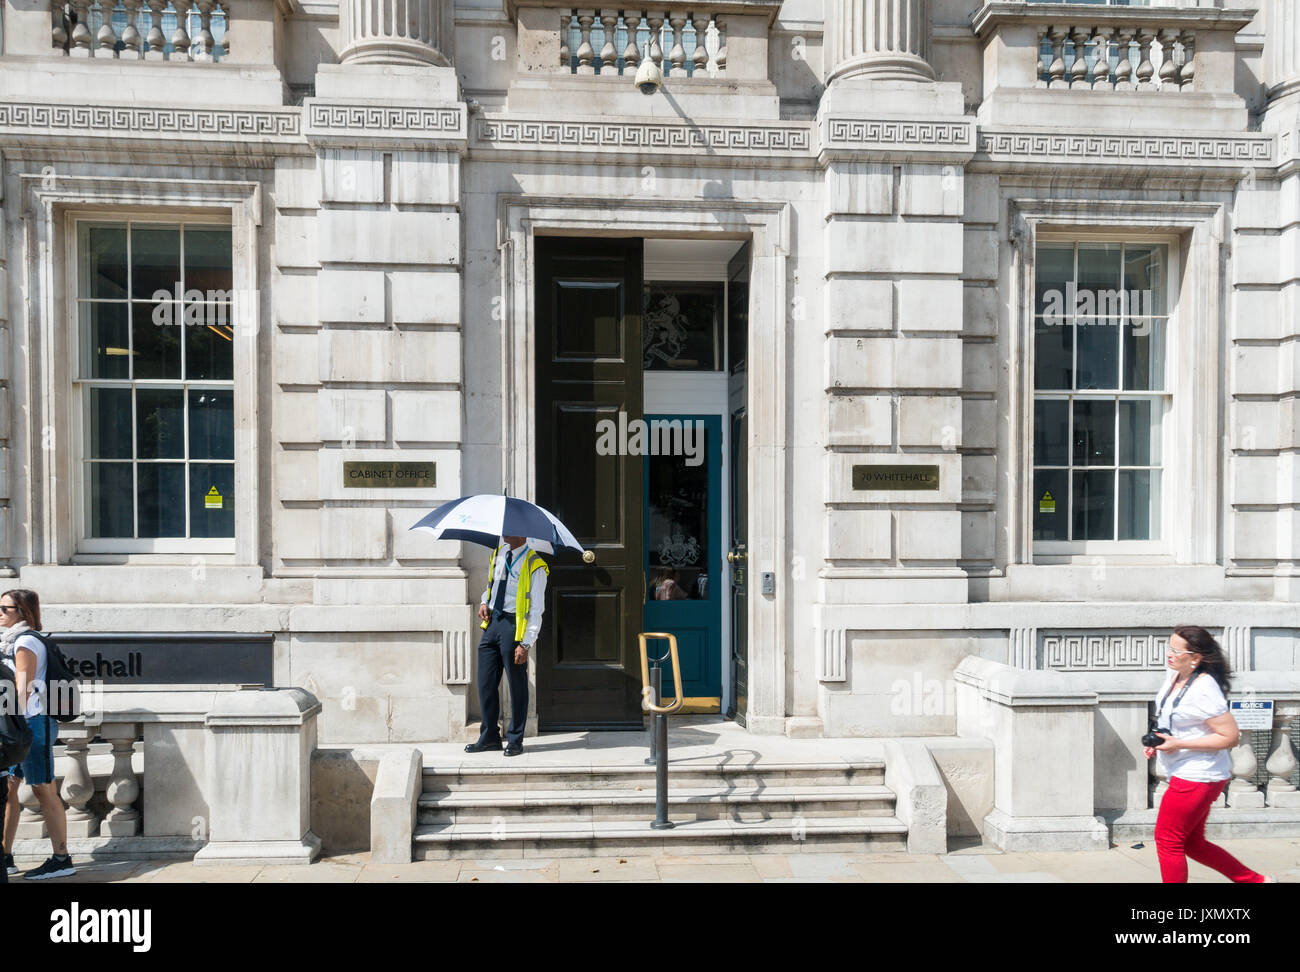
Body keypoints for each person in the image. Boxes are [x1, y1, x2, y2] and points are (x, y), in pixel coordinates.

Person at [1144, 626, 1274, 884]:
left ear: (1195, 658)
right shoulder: (1174, 674)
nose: (1169, 655)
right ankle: (1257, 881)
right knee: (1193, 844)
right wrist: (1159, 739)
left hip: (1198, 775)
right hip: (1188, 772)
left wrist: (1178, 743)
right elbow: (1173, 714)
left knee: (1167, 840)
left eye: (1176, 651)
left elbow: (1230, 737)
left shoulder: (1204, 688)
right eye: (1169, 647)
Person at [1, 589, 74, 879]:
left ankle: (61, 858)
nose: (0, 612)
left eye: (5, 608)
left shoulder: (26, 641)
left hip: (31, 724)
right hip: (21, 724)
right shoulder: (11, 641)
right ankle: (5, 856)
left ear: (22, 612)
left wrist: (10, 724)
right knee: (8, 790)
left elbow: (23, 687)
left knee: (44, 789)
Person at [465, 536, 549, 757]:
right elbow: (491, 585)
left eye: (509, 529)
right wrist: (485, 602)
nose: (503, 533)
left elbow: (537, 608)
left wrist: (526, 643)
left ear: (522, 533)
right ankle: (489, 737)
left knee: (516, 685)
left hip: (513, 627)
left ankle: (515, 740)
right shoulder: (499, 554)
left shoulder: (535, 564)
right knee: (485, 683)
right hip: (493, 623)